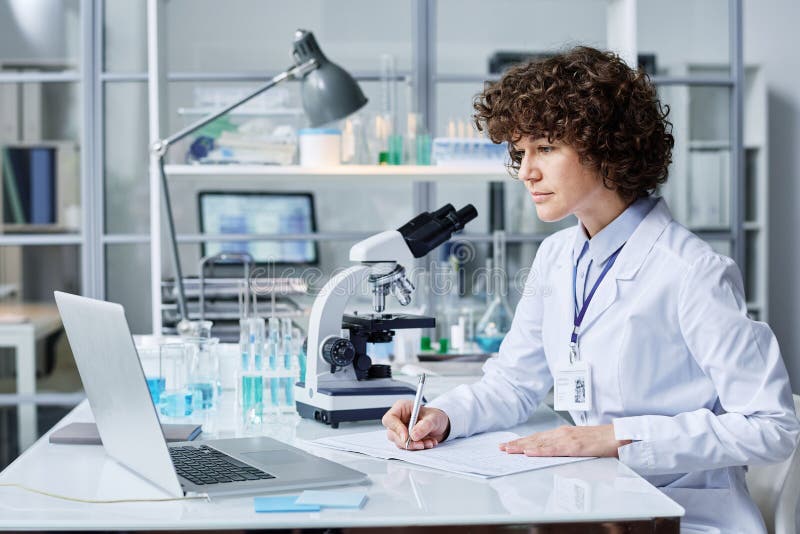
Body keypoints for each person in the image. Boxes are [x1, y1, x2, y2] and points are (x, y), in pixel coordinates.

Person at [382, 46, 799, 533]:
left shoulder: (692, 271)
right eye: (520, 152)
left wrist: (614, 437)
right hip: (596, 504)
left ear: (606, 146)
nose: (524, 171)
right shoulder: (556, 257)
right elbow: (513, 384)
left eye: (546, 148)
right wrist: (444, 416)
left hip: (685, 516)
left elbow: (772, 426)